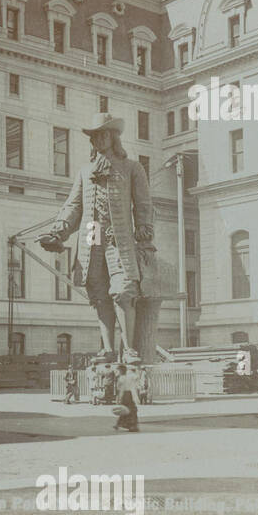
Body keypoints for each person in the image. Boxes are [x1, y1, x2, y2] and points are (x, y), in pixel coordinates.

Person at [38, 114, 157, 364]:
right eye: (95, 136)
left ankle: (129, 349)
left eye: (104, 134)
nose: (99, 139)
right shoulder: (85, 172)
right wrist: (59, 231)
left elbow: (144, 204)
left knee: (123, 292)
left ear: (114, 137)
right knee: (100, 295)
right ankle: (107, 350)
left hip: (119, 239)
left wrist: (144, 231)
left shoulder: (132, 168)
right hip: (92, 240)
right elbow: (73, 206)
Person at [113, 364, 141, 432]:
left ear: (121, 371)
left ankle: (122, 424)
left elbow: (120, 388)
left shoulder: (122, 378)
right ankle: (131, 425)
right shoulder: (129, 377)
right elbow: (135, 383)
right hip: (129, 395)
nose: (118, 372)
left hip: (126, 395)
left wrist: (119, 397)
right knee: (130, 410)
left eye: (119, 371)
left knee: (126, 410)